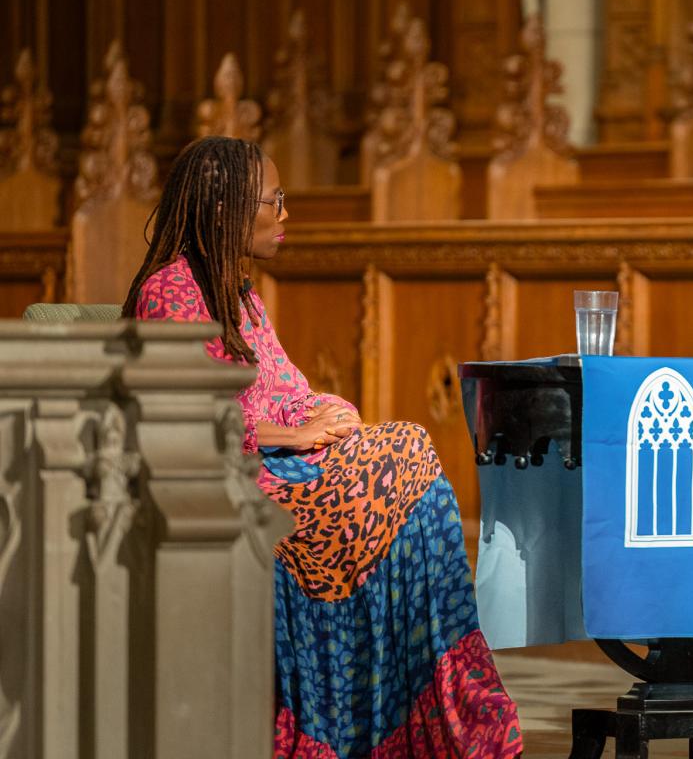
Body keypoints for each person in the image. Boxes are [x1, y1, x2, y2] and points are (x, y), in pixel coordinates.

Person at [123, 136, 522, 758]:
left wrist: (323, 411)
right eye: (273, 201)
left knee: (408, 450)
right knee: (409, 458)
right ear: (225, 208)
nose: (285, 215)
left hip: (282, 462)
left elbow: (284, 390)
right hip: (228, 477)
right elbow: (188, 416)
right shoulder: (171, 291)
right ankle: (425, 705)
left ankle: (429, 698)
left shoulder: (242, 296)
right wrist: (294, 434)